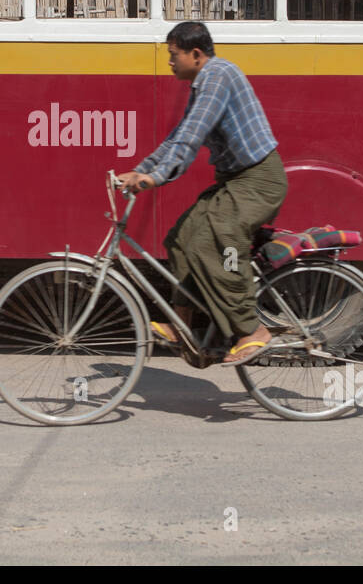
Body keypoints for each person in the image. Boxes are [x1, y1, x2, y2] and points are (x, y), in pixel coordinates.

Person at [115, 21, 288, 366]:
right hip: (238, 180)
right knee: (182, 238)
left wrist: (155, 179)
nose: (169, 62)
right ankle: (182, 325)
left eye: (173, 55)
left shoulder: (217, 77)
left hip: (258, 181)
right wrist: (141, 169)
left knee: (219, 240)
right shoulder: (203, 83)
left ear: (195, 54)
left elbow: (192, 138)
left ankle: (252, 330)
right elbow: (177, 137)